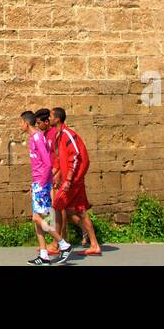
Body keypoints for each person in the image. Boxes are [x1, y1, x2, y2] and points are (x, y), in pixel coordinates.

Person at [49, 107, 101, 256]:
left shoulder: (67, 134)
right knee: (81, 212)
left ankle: (58, 244)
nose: (49, 118)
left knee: (57, 205)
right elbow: (62, 160)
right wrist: (58, 175)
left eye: (51, 116)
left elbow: (76, 155)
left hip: (73, 181)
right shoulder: (59, 136)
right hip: (72, 180)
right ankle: (94, 244)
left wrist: (69, 179)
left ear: (58, 119)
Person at [21, 110, 71, 265]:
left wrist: (41, 184)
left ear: (26, 123)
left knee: (37, 217)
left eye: (20, 122)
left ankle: (63, 244)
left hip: (42, 184)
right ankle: (43, 255)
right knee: (37, 219)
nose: (19, 125)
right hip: (38, 182)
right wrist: (34, 183)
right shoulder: (33, 138)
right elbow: (38, 165)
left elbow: (47, 163)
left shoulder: (37, 138)